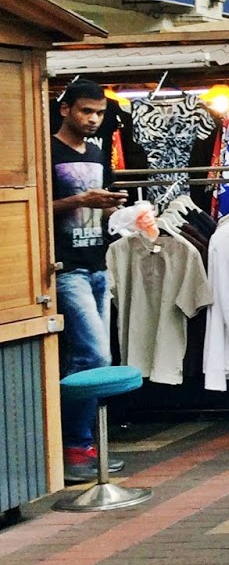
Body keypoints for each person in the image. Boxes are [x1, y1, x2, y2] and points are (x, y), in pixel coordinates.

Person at [51, 80, 128, 483]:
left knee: (98, 357)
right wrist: (81, 201)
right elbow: (35, 205)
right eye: (86, 111)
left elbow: (101, 204)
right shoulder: (48, 152)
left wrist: (117, 209)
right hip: (67, 268)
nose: (94, 119)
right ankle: (74, 445)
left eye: (99, 113)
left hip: (98, 264)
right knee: (93, 356)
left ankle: (87, 446)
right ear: (66, 109)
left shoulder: (97, 153)